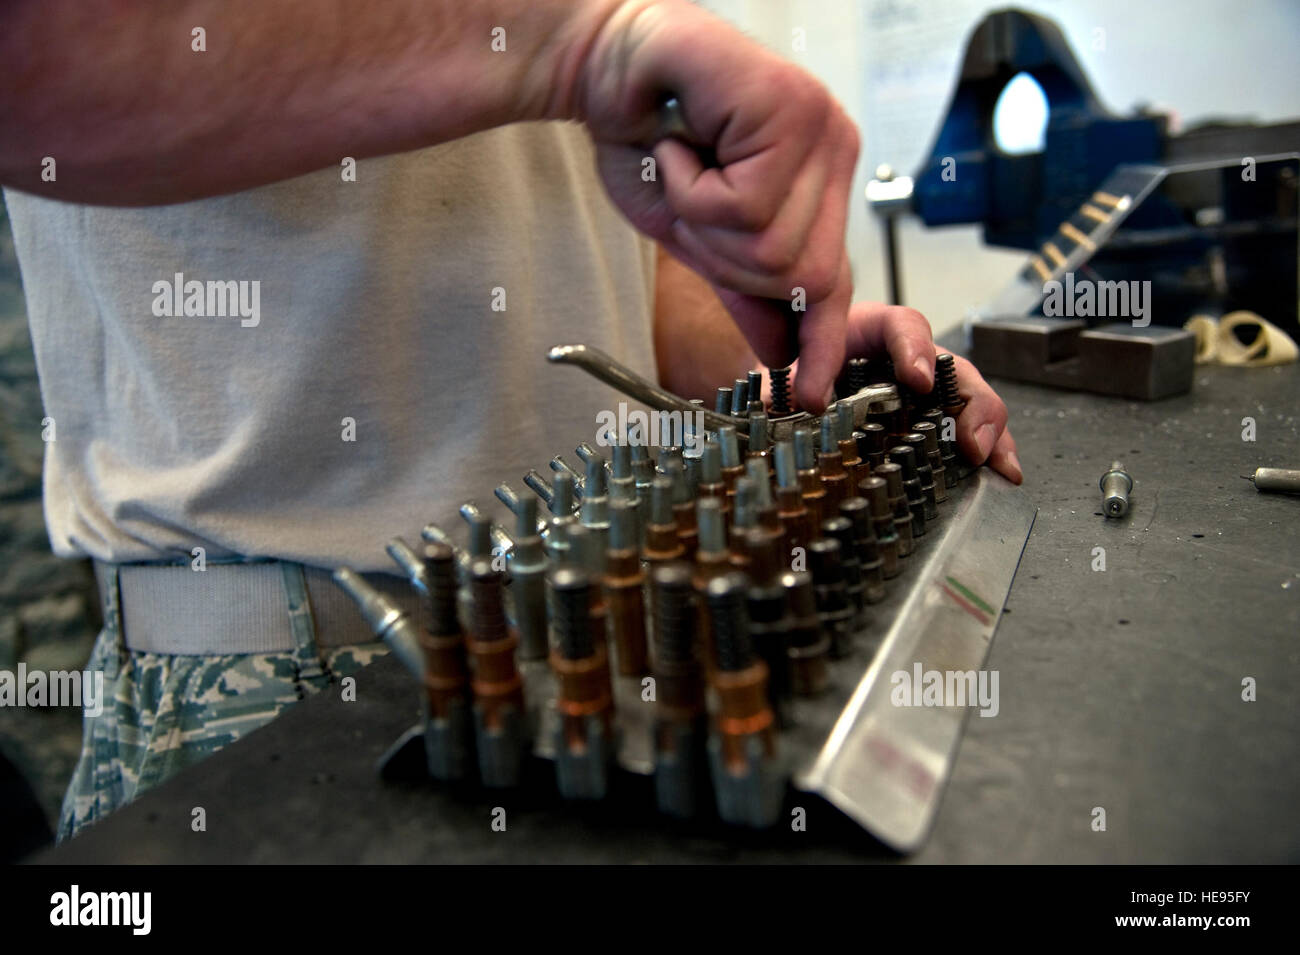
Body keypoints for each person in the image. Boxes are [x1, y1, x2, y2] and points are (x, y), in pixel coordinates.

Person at [0, 0, 1021, 840]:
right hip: (288, 681)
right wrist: (578, 44)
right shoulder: (576, 31)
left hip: (611, 633)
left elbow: (607, 254)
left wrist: (801, 370)